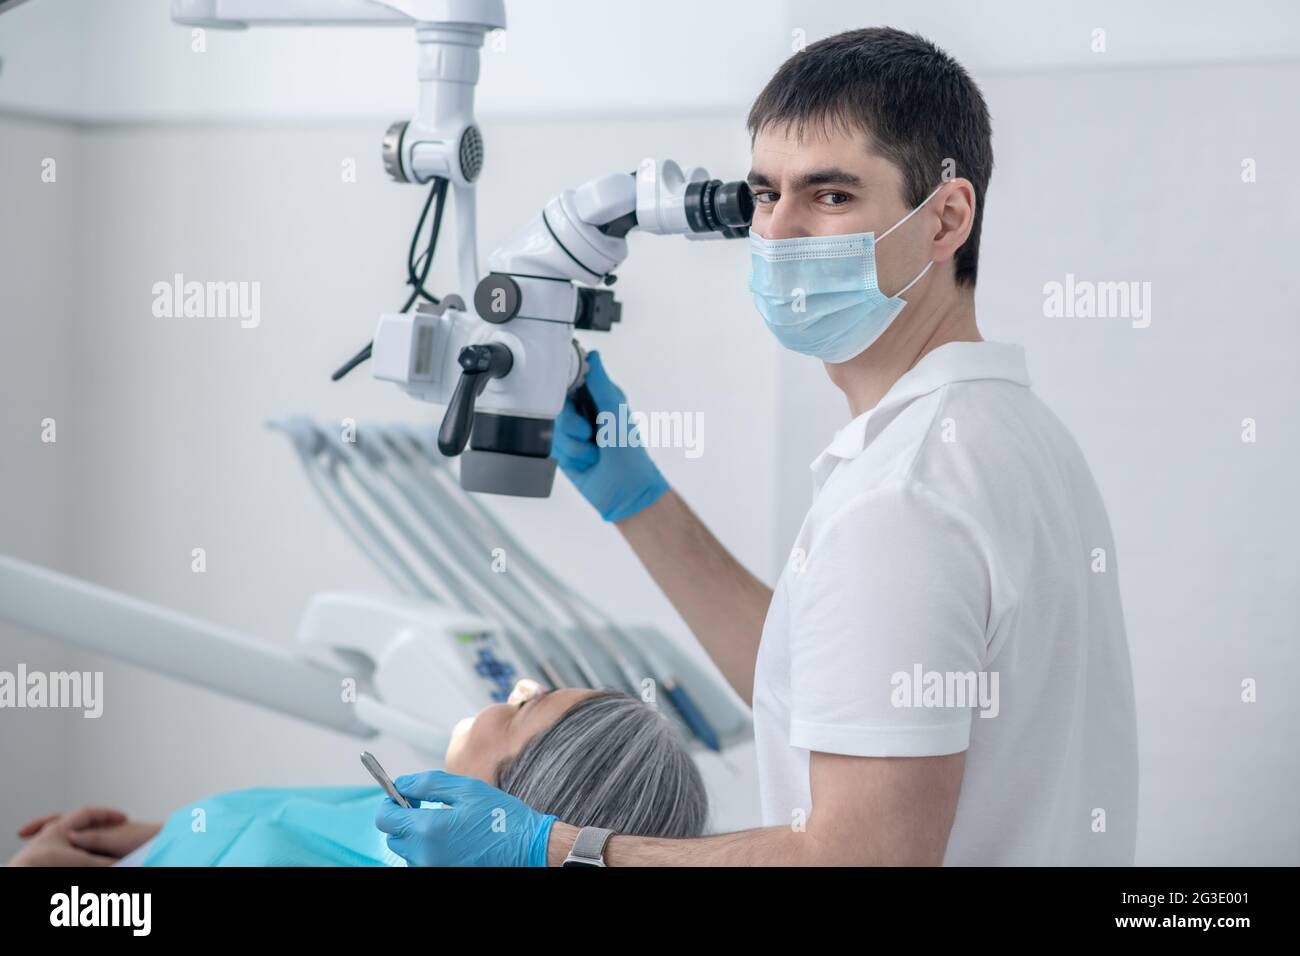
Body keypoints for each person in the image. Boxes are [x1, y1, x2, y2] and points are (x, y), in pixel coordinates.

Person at [376, 27, 1139, 867]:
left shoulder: (903, 499)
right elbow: (831, 698)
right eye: (764, 194)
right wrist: (637, 499)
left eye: (832, 196)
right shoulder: (1013, 433)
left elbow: (853, 859)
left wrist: (555, 848)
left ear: (945, 219)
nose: (777, 232)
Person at [8, 681, 706, 866]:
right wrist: (168, 837)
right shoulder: (408, 818)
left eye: (528, 706)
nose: (509, 695)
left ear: (506, 796)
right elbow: (281, 830)